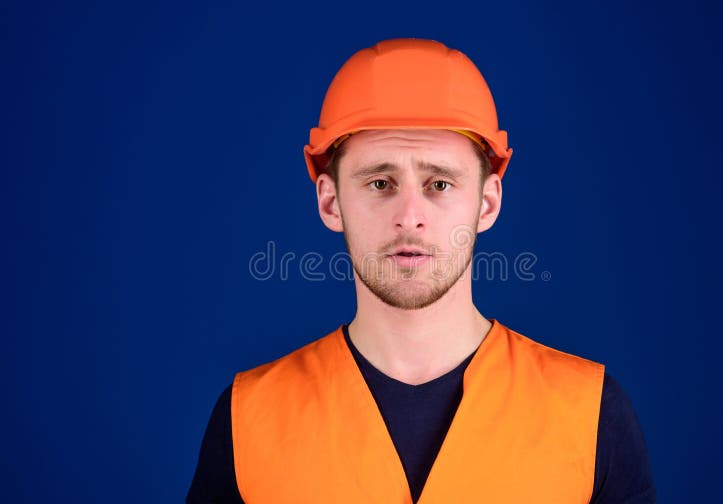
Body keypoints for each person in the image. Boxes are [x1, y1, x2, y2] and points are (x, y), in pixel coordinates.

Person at [187, 38, 656, 503]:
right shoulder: (247, 420)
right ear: (331, 203)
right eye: (380, 183)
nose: (409, 216)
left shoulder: (590, 415)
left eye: (439, 183)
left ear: (487, 203)